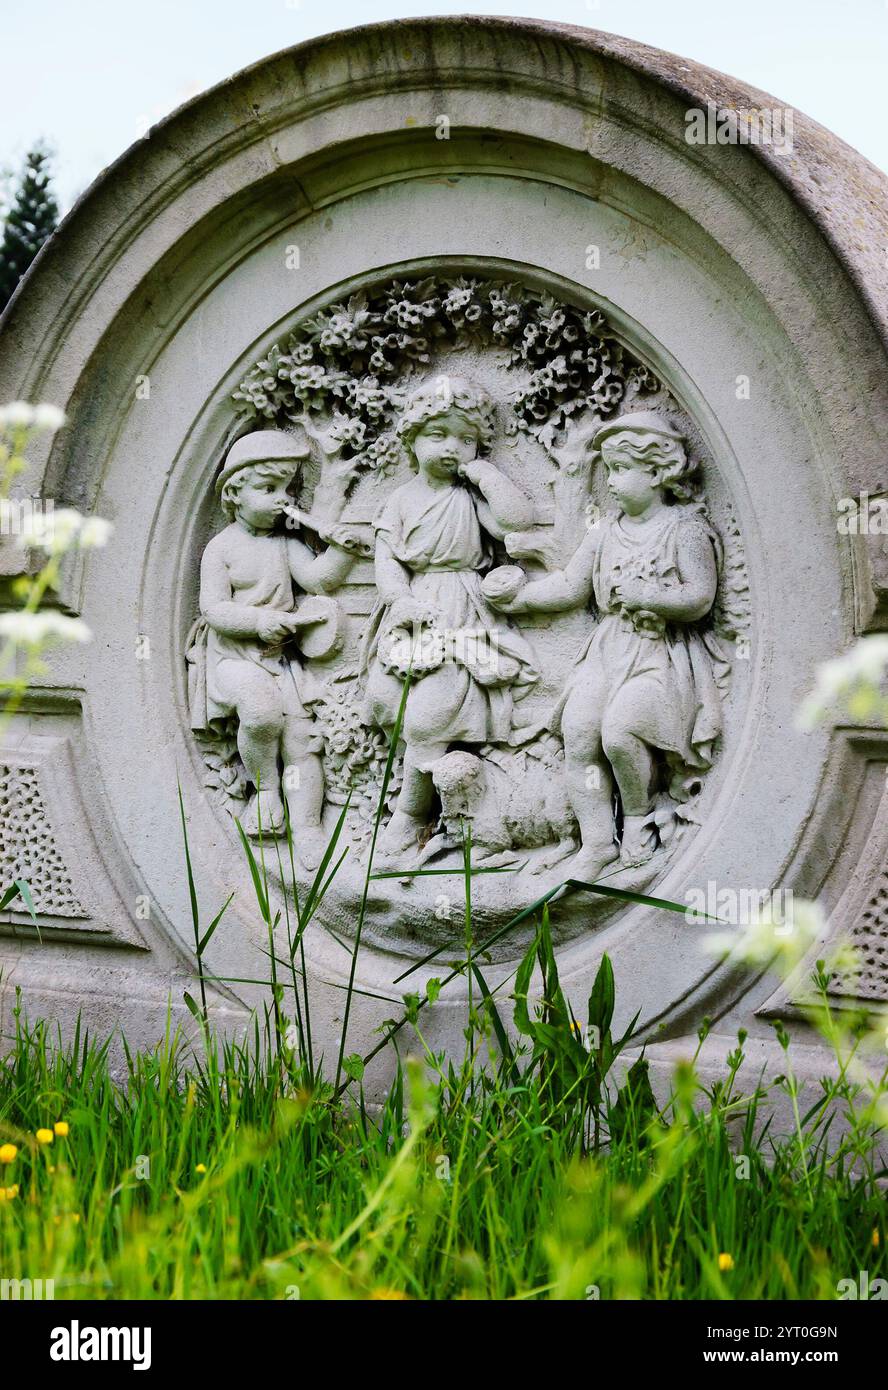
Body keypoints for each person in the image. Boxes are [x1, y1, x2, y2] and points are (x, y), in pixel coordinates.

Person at [487, 410, 727, 881]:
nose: (611, 482)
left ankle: (636, 821)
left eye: (621, 470)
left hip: (659, 652)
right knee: (580, 731)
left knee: (619, 732)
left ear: (657, 472)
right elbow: (571, 586)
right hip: (608, 648)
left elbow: (699, 597)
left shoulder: (686, 530)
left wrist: (649, 597)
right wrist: (516, 599)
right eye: (609, 470)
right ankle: (597, 842)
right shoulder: (605, 532)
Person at [360, 376, 541, 859]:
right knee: (391, 703)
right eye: (438, 434)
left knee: (428, 716)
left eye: (466, 438)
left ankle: (409, 816)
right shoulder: (399, 501)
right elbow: (387, 563)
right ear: (411, 439)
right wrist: (400, 602)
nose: (452, 448)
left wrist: (485, 476)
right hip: (414, 611)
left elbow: (516, 522)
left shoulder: (469, 497)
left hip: (464, 609)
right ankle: (444, 807)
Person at [188, 429, 361, 863]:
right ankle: (265, 791)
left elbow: (320, 580)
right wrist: (263, 622)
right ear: (234, 493)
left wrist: (342, 549)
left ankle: (306, 827)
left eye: (289, 489)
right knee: (262, 712)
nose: (282, 500)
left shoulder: (286, 544)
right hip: (232, 658)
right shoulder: (221, 548)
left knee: (301, 741)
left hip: (278, 661)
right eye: (269, 489)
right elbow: (214, 609)